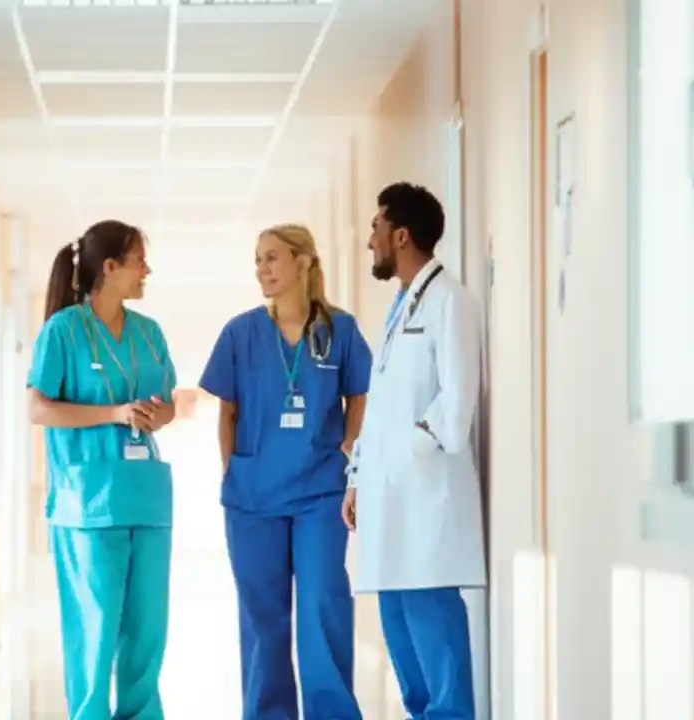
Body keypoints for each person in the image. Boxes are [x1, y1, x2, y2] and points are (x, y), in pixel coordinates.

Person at [199, 224, 373, 720]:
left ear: (302, 263)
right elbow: (227, 411)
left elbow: (358, 395)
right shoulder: (241, 332)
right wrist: (234, 471)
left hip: (321, 492)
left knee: (321, 603)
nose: (262, 269)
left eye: (272, 258)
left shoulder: (339, 329)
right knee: (263, 618)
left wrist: (347, 449)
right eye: (257, 260)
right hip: (252, 496)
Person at [342, 182, 485, 720]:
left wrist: (405, 456)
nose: (370, 239)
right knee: (401, 634)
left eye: (377, 227)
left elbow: (456, 401)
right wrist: (359, 477)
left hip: (424, 498)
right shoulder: (403, 305)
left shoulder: (451, 300)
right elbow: (382, 407)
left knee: (432, 626)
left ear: (401, 235)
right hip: (390, 498)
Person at [26, 220, 179, 720]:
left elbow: (169, 402)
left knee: (146, 633)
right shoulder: (64, 330)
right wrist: (112, 414)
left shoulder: (148, 333)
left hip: (146, 501)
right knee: (94, 631)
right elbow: (39, 408)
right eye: (139, 260)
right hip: (88, 504)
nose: (146, 270)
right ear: (109, 268)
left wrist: (161, 414)